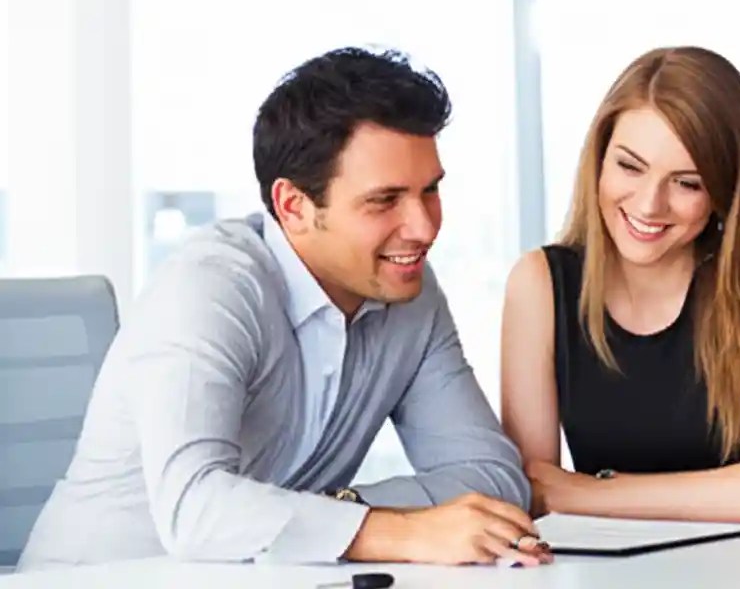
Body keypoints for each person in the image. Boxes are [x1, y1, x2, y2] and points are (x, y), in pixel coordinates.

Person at [18, 48, 551, 571]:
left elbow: (491, 476)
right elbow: (195, 510)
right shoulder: (209, 288)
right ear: (293, 206)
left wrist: (338, 513)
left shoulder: (407, 291)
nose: (424, 226)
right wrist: (399, 529)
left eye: (429, 191)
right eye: (385, 200)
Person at [500, 46, 740, 524]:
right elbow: (533, 489)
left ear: (724, 192)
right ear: (599, 159)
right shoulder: (539, 283)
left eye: (687, 183)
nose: (650, 205)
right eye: (629, 166)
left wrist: (587, 490)